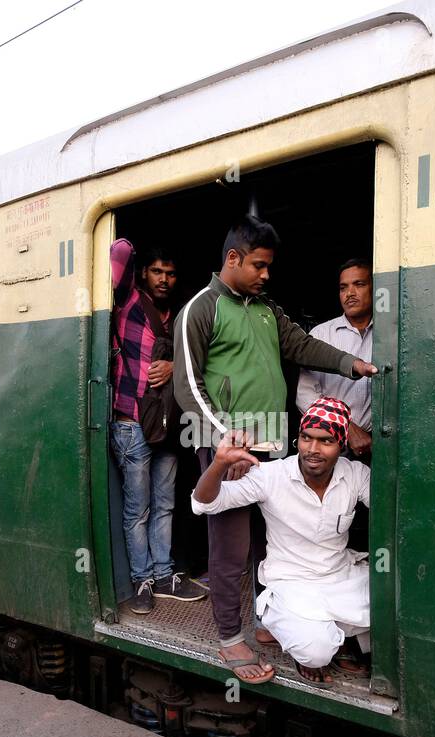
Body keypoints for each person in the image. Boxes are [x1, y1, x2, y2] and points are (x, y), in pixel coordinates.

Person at [172, 215, 376, 682]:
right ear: (232, 259)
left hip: (271, 443)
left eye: (269, 267)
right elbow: (189, 386)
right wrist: (224, 439)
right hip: (230, 448)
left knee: (268, 540)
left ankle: (268, 621)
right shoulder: (201, 308)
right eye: (259, 266)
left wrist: (350, 364)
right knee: (230, 547)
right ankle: (229, 638)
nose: (267, 275)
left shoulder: (266, 308)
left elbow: (303, 346)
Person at [192, 397, 370, 685]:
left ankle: (332, 634)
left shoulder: (355, 474)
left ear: (342, 446)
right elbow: (203, 504)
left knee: (402, 610)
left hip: (341, 577)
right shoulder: (272, 475)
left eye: (325, 441)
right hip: (292, 585)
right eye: (306, 438)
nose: (313, 449)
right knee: (316, 651)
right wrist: (219, 464)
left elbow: (397, 511)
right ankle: (314, 635)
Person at [109, 239, 206, 613]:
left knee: (165, 505)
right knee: (139, 511)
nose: (164, 279)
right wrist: (131, 244)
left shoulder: (178, 315)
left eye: (170, 273)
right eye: (156, 272)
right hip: (131, 423)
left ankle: (164, 576)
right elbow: (117, 254)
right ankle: (142, 581)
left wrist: (174, 367)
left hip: (166, 427)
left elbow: (197, 365)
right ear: (143, 274)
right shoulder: (129, 301)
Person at [296, 259, 375, 459]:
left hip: (376, 447)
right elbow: (305, 396)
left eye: (359, 284)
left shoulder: (390, 336)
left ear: (375, 288)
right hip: (329, 445)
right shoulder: (321, 335)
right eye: (343, 288)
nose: (350, 293)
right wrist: (345, 427)